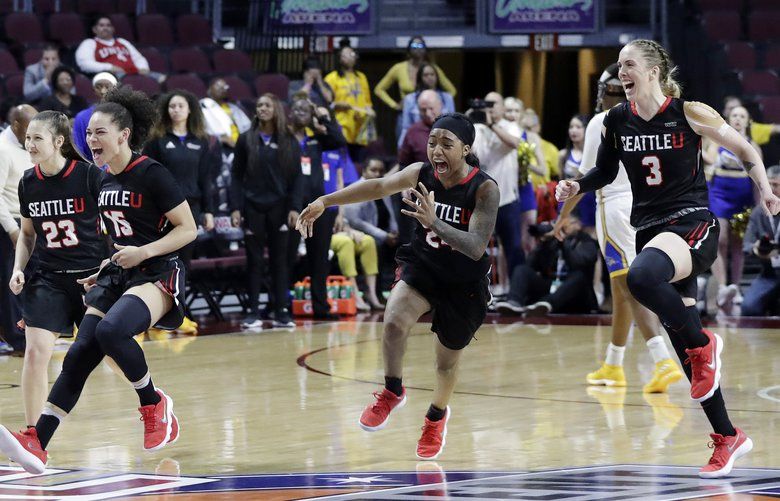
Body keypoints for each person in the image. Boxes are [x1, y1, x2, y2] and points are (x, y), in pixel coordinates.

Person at [556, 39, 780, 478]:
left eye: (630, 64)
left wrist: (766, 191)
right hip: (652, 231)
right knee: (686, 354)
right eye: (619, 66)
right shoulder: (617, 121)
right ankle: (726, 435)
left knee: (639, 280)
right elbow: (604, 171)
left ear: (654, 71)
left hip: (692, 225)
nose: (622, 72)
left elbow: (746, 150)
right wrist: (576, 184)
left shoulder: (688, 111)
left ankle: (705, 344)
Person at [0, 86, 198, 474]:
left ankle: (153, 402)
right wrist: (104, 267)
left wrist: (142, 252)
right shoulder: (103, 179)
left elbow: (187, 229)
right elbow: (113, 236)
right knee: (77, 356)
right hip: (117, 274)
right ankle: (37, 442)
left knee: (110, 332)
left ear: (123, 135)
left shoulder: (151, 173)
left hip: (157, 270)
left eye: (99, 133)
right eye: (88, 133)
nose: (91, 140)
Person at [296, 113, 499, 460]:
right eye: (432, 141)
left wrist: (435, 222)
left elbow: (477, 246)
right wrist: (325, 201)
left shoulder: (484, 188)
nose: (436, 150)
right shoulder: (421, 173)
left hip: (464, 281)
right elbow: (377, 187)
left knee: (445, 364)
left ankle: (435, 417)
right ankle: (392, 391)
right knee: (392, 321)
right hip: (424, 267)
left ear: (466, 149)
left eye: (446, 144)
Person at [553, 63, 683, 393]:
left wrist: (560, 219)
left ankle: (662, 359)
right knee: (620, 289)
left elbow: (581, 182)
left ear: (612, 90)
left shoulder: (603, 120)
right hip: (648, 205)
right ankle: (613, 363)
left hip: (614, 207)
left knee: (629, 287)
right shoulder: (650, 116)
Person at [10, 111, 106, 429]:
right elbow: (27, 234)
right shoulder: (28, 182)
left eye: (38, 138)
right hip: (48, 278)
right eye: (28, 138)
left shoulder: (89, 176)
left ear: (58, 141)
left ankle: (152, 399)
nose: (31, 144)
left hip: (91, 278)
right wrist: (18, 268)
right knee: (36, 353)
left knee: (113, 354)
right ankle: (33, 435)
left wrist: (111, 265)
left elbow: (117, 225)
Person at [144, 90, 218, 333]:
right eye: (172, 106)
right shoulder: (157, 140)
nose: (175, 109)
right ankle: (154, 314)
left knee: (183, 263)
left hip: (192, 209)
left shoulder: (202, 141)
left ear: (189, 110)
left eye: (180, 106)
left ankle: (179, 314)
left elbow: (206, 179)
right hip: (162, 209)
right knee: (160, 261)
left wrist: (208, 211)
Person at [231, 94, 302, 329]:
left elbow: (296, 178)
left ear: (276, 109)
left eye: (267, 105)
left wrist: (294, 207)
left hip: (280, 207)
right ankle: (252, 311)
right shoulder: (245, 139)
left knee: (280, 261)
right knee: (254, 261)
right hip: (252, 207)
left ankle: (281, 310)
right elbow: (236, 177)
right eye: (259, 105)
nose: (262, 108)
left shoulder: (288, 139)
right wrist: (235, 207)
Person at [283, 96, 347, 323]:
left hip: (317, 207)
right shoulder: (284, 138)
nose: (301, 111)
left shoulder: (316, 140)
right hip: (290, 206)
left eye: (306, 110)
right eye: (297, 107)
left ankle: (320, 307)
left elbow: (339, 139)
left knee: (319, 258)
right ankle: (281, 306)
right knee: (287, 257)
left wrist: (323, 116)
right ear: (290, 112)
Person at [705, 105, 761, 315]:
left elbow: (759, 178)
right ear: (729, 119)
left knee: (738, 245)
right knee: (720, 240)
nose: (738, 118)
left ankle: (735, 288)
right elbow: (708, 159)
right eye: (734, 115)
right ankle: (721, 286)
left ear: (748, 121)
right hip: (719, 195)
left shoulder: (753, 145)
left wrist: (760, 204)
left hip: (743, 197)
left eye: (742, 115)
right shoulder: (717, 141)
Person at [495, 217, 599, 316]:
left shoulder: (587, 242)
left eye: (567, 222)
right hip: (552, 287)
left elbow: (577, 263)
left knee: (579, 277)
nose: (562, 226)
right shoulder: (552, 241)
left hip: (574, 293)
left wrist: (563, 243)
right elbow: (531, 265)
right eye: (560, 221)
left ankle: (546, 304)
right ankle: (514, 302)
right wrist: (543, 243)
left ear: (578, 225)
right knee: (521, 270)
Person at [471, 92, 526, 276]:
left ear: (502, 107)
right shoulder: (477, 128)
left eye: (493, 104)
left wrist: (492, 125)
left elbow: (516, 143)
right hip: (483, 199)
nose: (489, 107)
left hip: (507, 198)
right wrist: (469, 120)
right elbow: (470, 154)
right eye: (486, 104)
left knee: (513, 248)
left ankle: (515, 294)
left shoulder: (510, 126)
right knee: (475, 248)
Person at [0, 104, 37, 355]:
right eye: (28, 126)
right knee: (11, 282)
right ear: (15, 125)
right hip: (9, 224)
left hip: (29, 221)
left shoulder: (30, 144)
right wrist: (13, 230)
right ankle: (18, 340)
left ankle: (33, 334)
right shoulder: (2, 148)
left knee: (32, 281)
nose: (33, 131)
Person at [374, 35, 456, 134]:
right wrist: (395, 105)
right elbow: (379, 89)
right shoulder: (399, 68)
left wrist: (439, 104)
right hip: (407, 112)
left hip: (428, 112)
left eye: (420, 46)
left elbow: (451, 91)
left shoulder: (431, 68)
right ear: (408, 50)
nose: (417, 49)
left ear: (425, 50)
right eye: (414, 46)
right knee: (404, 141)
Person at [396, 90, 443, 244]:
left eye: (431, 108)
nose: (428, 113)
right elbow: (403, 163)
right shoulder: (413, 132)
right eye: (423, 110)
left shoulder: (452, 128)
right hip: (420, 192)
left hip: (447, 191)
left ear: (440, 105)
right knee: (414, 239)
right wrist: (404, 186)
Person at [503, 97, 546, 255]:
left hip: (524, 188)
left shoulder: (531, 137)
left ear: (521, 114)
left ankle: (528, 277)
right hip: (505, 189)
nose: (512, 114)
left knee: (529, 239)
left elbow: (543, 170)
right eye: (508, 110)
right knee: (506, 242)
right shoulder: (498, 134)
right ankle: (506, 281)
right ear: (502, 112)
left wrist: (525, 164)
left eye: (516, 110)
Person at [324, 41, 375, 163]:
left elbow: (368, 102)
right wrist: (337, 105)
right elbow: (326, 104)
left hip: (360, 130)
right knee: (344, 164)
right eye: (347, 54)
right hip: (342, 128)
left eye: (352, 53)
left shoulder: (361, 77)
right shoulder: (331, 78)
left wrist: (370, 112)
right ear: (340, 58)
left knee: (359, 164)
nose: (351, 56)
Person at [739, 165, 780, 316]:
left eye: (776, 185)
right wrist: (757, 249)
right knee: (749, 308)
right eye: (769, 185)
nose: (772, 189)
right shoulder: (758, 212)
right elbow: (746, 245)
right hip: (768, 274)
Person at [75, 16, 164, 83]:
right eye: (101, 25)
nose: (105, 28)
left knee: (163, 79)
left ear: (113, 29)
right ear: (94, 29)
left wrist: (143, 67)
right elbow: (84, 64)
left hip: (135, 73)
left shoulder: (122, 41)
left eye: (108, 25)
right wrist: (109, 67)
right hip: (113, 76)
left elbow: (138, 58)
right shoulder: (89, 43)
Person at [398, 63, 456, 146]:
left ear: (437, 77)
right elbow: (406, 127)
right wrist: (401, 146)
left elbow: (452, 124)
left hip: (442, 141)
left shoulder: (447, 98)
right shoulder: (410, 99)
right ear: (420, 78)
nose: (429, 77)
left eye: (432, 74)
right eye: (425, 75)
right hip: (418, 140)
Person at [72, 72, 118, 162]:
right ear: (93, 89)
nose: (103, 91)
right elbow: (79, 151)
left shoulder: (123, 114)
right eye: (99, 86)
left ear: (115, 89)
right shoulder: (82, 117)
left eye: (107, 87)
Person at [200, 78, 252, 150]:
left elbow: (247, 127)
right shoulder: (204, 106)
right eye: (218, 85)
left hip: (240, 146)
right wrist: (221, 138)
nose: (222, 88)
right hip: (221, 147)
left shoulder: (234, 108)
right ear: (209, 89)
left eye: (224, 86)